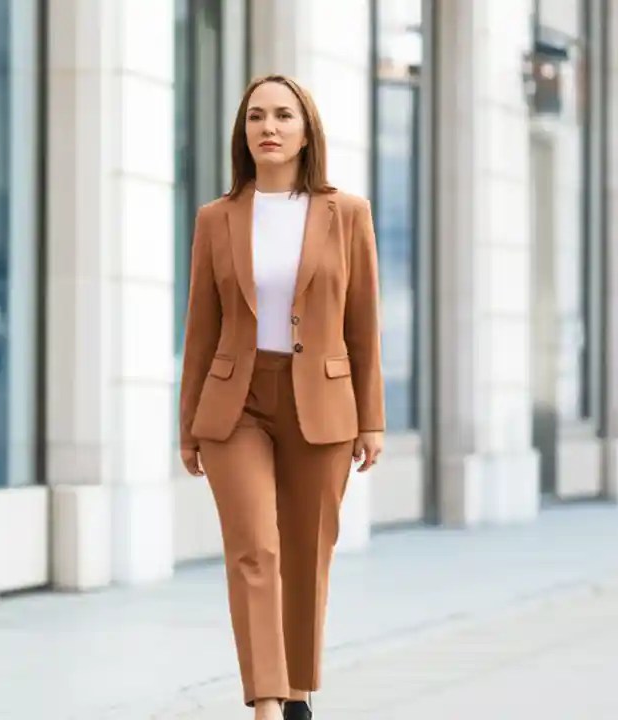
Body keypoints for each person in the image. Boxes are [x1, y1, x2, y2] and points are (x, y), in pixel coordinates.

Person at [178, 75, 386, 720]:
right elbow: (201, 326)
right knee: (253, 547)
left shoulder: (345, 213)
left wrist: (371, 419)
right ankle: (267, 704)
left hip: (320, 401)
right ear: (243, 133)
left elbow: (363, 323)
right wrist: (189, 425)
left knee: (305, 548)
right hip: (235, 401)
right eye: (256, 117)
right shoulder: (218, 217)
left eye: (283, 116)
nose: (269, 127)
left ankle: (296, 693)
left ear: (306, 130)